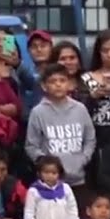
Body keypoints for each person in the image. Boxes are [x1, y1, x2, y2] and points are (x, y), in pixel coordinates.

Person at [25, 64, 96, 203]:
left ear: (69, 84)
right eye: (52, 81)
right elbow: (31, 146)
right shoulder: (38, 112)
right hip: (50, 183)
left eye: (62, 80)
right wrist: (46, 166)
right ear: (44, 86)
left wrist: (84, 158)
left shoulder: (80, 109)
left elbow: (90, 139)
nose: (58, 85)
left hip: (78, 180)